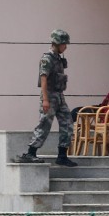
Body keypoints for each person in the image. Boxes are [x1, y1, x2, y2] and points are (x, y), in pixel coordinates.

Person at [15, 29, 78, 167]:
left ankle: (62, 155)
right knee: (44, 125)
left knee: (67, 123)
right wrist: (45, 99)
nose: (65, 47)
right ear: (57, 43)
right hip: (49, 95)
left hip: (59, 96)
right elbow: (43, 79)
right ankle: (30, 153)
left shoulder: (58, 58)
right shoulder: (47, 58)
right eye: (64, 44)